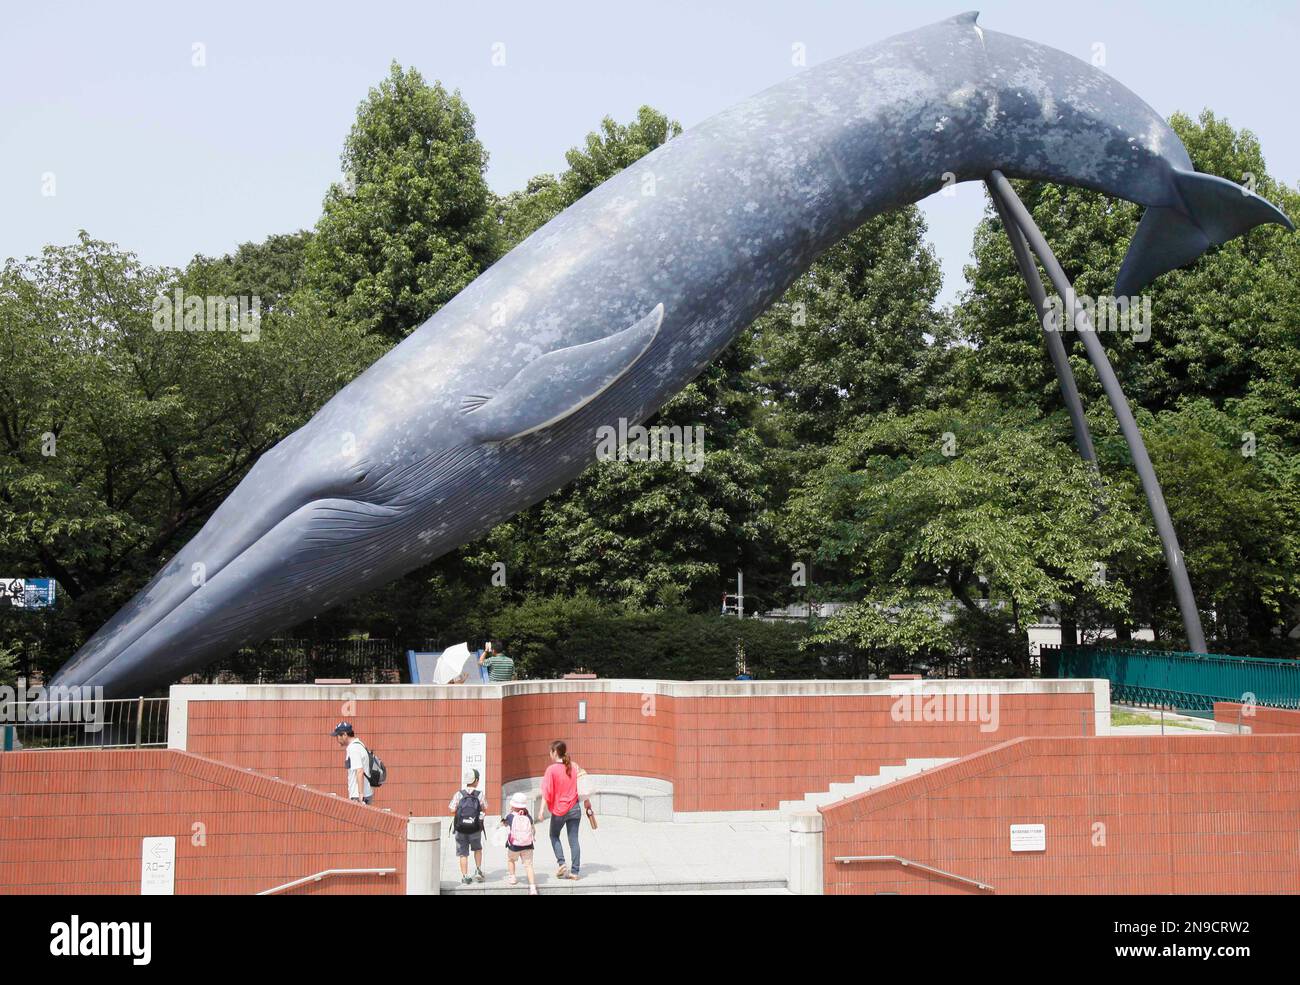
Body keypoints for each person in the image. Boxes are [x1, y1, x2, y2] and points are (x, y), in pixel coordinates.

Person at [541, 739, 582, 880]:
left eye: (550, 751)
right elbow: (583, 784)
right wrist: (587, 803)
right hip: (575, 807)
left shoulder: (551, 770)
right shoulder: (574, 766)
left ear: (555, 752)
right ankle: (575, 872)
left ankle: (562, 863)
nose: (549, 754)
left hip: (560, 810)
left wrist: (541, 811)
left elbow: (546, 792)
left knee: (554, 835)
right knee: (574, 840)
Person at [449, 767, 487, 884]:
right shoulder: (480, 795)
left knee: (463, 854)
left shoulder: (459, 794)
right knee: (478, 849)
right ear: (476, 780)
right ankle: (478, 871)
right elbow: (485, 808)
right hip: (475, 829)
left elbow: (451, 810)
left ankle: (465, 876)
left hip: (461, 829)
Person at [500, 791, 538, 894]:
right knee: (529, 865)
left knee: (511, 859)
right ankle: (533, 888)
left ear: (512, 804)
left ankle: (512, 877)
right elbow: (533, 829)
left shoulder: (510, 816)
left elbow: (503, 824)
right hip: (528, 845)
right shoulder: (528, 817)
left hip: (514, 845)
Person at [332, 721, 372, 805]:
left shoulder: (354, 748)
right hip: (364, 794)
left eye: (338, 736)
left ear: (345, 735)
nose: (337, 739)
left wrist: (360, 794)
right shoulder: (359, 744)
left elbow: (359, 771)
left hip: (358, 796)